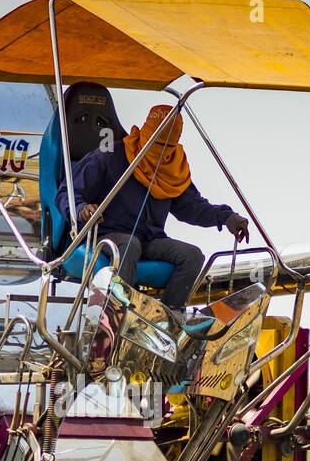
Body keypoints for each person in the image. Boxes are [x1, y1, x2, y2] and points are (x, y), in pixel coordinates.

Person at [56, 104, 250, 313]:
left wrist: (228, 218)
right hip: (107, 235)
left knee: (193, 256)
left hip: (150, 239)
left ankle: (168, 318)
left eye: (167, 147)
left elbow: (192, 207)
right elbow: (67, 193)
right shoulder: (110, 154)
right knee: (130, 245)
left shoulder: (172, 169)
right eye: (156, 143)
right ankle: (118, 314)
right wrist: (82, 209)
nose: (161, 151)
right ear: (145, 134)